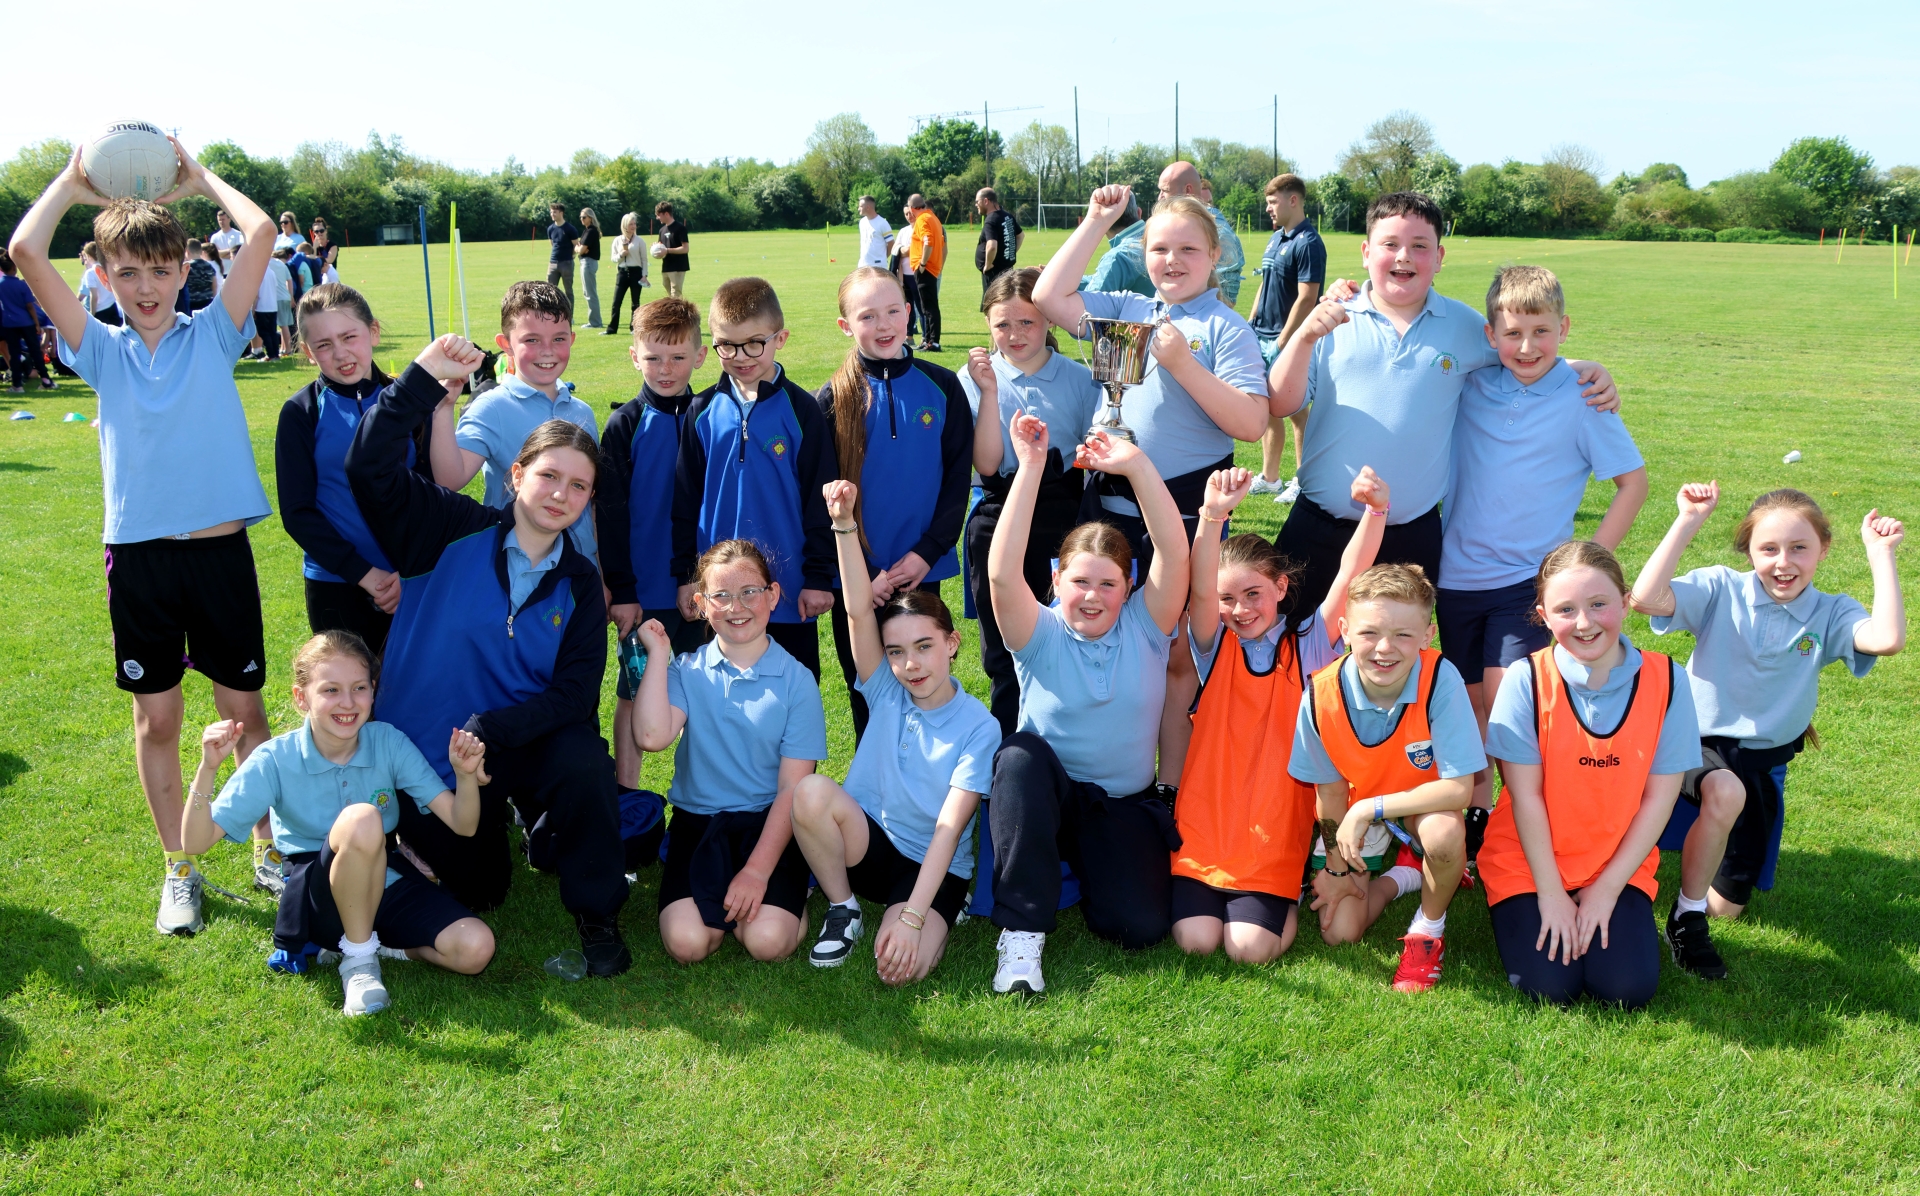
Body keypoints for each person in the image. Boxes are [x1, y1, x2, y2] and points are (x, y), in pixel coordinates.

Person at [9, 140, 280, 928]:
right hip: (139, 561)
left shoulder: (216, 335)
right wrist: (72, 181)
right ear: (102, 276)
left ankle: (269, 848)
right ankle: (180, 865)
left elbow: (258, 233)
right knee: (157, 720)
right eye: (126, 273)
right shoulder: (99, 349)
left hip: (220, 556)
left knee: (248, 713)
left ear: (185, 270)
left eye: (160, 271)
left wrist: (198, 180)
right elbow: (27, 248)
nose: (146, 287)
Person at [346, 334, 636, 976]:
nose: (561, 494)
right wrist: (421, 382)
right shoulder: (447, 530)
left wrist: (489, 731)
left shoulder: (581, 584)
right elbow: (369, 470)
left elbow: (573, 696)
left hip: (508, 740)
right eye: (548, 476)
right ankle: (391, 852)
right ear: (515, 476)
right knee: (481, 893)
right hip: (431, 757)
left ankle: (598, 914)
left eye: (579, 487)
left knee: (584, 756)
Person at [1267, 191, 1620, 615]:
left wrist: (1580, 365)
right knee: (1285, 650)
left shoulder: (1466, 326)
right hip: (1318, 526)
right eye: (1390, 244)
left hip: (1409, 536)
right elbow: (1281, 403)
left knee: (1394, 659)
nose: (1404, 257)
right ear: (1365, 252)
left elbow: (1521, 356)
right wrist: (1305, 336)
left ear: (1439, 257)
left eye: (1420, 246)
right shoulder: (1332, 317)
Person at [1033, 185, 1269, 787]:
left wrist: (1184, 364)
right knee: (1109, 641)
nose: (1172, 261)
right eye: (1159, 248)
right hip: (1107, 509)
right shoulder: (1131, 310)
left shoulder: (1226, 328)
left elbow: (1250, 423)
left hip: (1186, 509)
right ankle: (1105, 769)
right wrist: (1095, 220)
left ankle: (1172, 788)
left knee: (1176, 658)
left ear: (1215, 257)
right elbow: (1047, 295)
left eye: (1189, 249)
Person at [1628, 484, 1906, 978]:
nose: (1784, 562)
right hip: (1693, 744)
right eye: (1768, 549)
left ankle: (1698, 898)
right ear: (1748, 551)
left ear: (1823, 548)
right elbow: (1646, 598)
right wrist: (1688, 520)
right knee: (1721, 792)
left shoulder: (1831, 611)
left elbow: (1886, 639)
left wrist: (1880, 554)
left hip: (1763, 761)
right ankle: (1684, 920)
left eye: (1800, 547)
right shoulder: (1721, 589)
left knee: (1729, 907)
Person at [181, 632, 497, 1016]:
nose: (347, 703)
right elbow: (195, 842)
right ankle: (359, 962)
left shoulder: (388, 742)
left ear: (372, 690)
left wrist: (465, 777)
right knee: (363, 819)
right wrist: (207, 769)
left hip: (383, 880)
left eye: (359, 688)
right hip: (318, 900)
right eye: (331, 690)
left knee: (477, 948)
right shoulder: (274, 760)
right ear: (302, 698)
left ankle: (386, 947)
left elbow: (462, 825)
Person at [983, 413, 1191, 994]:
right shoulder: (1040, 632)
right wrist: (1027, 469)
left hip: (1120, 804)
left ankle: (1080, 873)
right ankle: (1022, 938)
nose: (1093, 596)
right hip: (1046, 796)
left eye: (1108, 584)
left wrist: (1135, 466)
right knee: (1019, 756)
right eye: (1080, 582)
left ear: (1129, 588)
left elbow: (1175, 555)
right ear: (1055, 582)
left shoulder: (1147, 627)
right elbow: (1001, 575)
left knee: (1139, 927)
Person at [1441, 265, 1648, 842]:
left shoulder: (1584, 398)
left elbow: (1634, 483)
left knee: (1511, 703)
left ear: (1565, 328)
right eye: (1512, 333)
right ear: (1490, 336)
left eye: (1542, 331)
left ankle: (1534, 821)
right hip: (1456, 579)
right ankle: (1478, 825)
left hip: (1527, 582)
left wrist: (1579, 569)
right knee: (1470, 709)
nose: (1527, 346)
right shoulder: (1473, 384)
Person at [1171, 465, 1390, 965]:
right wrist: (1211, 516)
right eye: (1229, 598)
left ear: (1281, 588)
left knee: (1248, 950)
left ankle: (1287, 889)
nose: (1240, 609)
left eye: (1253, 595)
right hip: (1207, 823)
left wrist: (1376, 512)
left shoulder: (1309, 644)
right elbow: (1201, 590)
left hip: (1272, 829)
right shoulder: (1213, 642)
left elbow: (1349, 577)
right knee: (1196, 941)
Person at [1478, 543, 1700, 1009]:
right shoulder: (1526, 680)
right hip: (1530, 862)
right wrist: (1552, 895)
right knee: (1549, 986)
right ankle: (1526, 907)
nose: (1584, 623)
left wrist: (1605, 890)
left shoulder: (1668, 680)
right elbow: (1525, 799)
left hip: (1615, 861)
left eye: (1599, 604)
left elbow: (1660, 799)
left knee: (1625, 989)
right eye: (1566, 609)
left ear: (1624, 600)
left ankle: (1616, 915)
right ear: (1543, 614)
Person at [795, 480, 1001, 980]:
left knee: (898, 968)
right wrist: (843, 524)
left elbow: (950, 831)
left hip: (934, 865)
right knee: (810, 794)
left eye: (924, 646)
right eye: (896, 652)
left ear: (952, 644)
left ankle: (918, 911)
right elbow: (856, 610)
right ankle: (843, 906)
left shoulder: (980, 726)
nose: (911, 664)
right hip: (870, 846)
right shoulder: (885, 690)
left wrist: (912, 918)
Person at [1290, 564, 1484, 992]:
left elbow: (1460, 789)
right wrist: (1337, 872)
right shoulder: (1322, 693)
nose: (1384, 648)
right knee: (1339, 932)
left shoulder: (1440, 678)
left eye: (1402, 635)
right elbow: (1329, 793)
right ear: (1343, 629)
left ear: (1427, 635)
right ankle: (1404, 877)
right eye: (1369, 632)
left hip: (1420, 806)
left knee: (1445, 837)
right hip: (1355, 814)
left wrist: (1371, 808)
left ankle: (1427, 932)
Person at [632, 539, 826, 965]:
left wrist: (757, 873)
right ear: (701, 604)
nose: (737, 606)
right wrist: (660, 654)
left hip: (769, 823)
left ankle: (795, 890)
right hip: (697, 824)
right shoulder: (686, 669)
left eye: (750, 592)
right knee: (688, 944)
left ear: (773, 596)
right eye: (721, 595)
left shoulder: (797, 681)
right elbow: (650, 736)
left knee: (767, 943)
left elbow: (792, 789)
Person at [818, 267, 971, 740]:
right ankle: (871, 797)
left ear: (909, 313)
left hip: (922, 570)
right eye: (867, 316)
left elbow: (955, 484)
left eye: (892, 311)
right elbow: (825, 498)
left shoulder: (942, 386)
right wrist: (862, 573)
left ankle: (925, 784)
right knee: (866, 683)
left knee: (921, 679)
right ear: (846, 326)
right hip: (858, 576)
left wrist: (925, 554)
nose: (883, 325)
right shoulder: (831, 398)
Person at [959, 266, 1103, 735]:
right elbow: (985, 463)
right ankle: (1009, 742)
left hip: (1064, 517)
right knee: (1003, 646)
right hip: (1000, 514)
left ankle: (1065, 739)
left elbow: (1093, 453)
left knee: (1065, 632)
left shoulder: (1080, 380)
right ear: (987, 325)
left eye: (1027, 322)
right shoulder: (976, 377)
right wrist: (989, 392)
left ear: (1049, 323)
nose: (1015, 335)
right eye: (1003, 324)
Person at [672, 277, 837, 678]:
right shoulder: (701, 410)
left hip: (788, 591)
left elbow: (821, 503)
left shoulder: (803, 411)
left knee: (792, 698)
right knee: (719, 701)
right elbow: (685, 500)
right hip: (719, 591)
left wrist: (817, 578)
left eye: (754, 343)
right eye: (726, 345)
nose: (740, 356)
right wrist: (684, 577)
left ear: (780, 338)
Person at [599, 296, 711, 843]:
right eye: (653, 359)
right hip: (644, 594)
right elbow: (611, 516)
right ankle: (627, 800)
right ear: (634, 357)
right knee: (632, 693)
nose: (665, 370)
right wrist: (621, 589)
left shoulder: (712, 413)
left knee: (702, 693)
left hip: (704, 594)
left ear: (700, 356)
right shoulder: (623, 425)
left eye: (677, 358)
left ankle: (704, 801)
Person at [276, 283, 436, 653]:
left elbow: (429, 491)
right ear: (307, 352)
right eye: (324, 345)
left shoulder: (404, 401)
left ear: (373, 332)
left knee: (413, 696)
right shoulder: (301, 412)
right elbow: (298, 513)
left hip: (410, 579)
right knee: (350, 697)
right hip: (336, 583)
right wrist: (365, 575)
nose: (341, 353)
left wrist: (409, 569)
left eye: (350, 336)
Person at [434, 282, 597, 558]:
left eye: (558, 339)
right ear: (505, 344)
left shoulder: (582, 412)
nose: (547, 350)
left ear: (571, 338)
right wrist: (443, 408)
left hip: (583, 570)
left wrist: (601, 574)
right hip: (519, 567)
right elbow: (449, 479)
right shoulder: (491, 407)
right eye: (531, 340)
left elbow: (590, 503)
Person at [1246, 174, 1325, 502]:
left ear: (1294, 200)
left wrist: (1284, 339)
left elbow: (1308, 297)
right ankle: (1271, 477)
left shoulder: (1308, 242)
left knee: (1295, 411)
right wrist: (1250, 322)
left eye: (1273, 201)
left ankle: (1302, 479)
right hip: (1261, 334)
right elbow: (1265, 284)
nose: (1268, 208)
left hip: (1285, 340)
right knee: (1267, 409)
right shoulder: (1276, 238)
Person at [1157, 161, 1244, 306]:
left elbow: (1228, 286)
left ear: (1188, 190)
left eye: (1165, 190)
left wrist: (1208, 315)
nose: (1160, 197)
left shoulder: (1213, 226)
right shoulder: (1185, 222)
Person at [1077, 191, 1152, 298]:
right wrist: (1061, 277)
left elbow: (1089, 302)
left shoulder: (1119, 256)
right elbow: (1105, 277)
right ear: (1139, 212)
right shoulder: (1158, 239)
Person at [0, 252, 55, 393]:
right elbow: (30, 306)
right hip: (26, 322)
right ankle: (46, 380)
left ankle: (17, 385)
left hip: (9, 323)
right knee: (36, 351)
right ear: (14, 267)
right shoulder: (21, 284)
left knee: (14, 354)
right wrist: (36, 323)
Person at [905, 193, 945, 351]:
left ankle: (933, 342)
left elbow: (928, 241)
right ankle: (927, 340)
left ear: (912, 208)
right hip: (931, 268)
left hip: (925, 269)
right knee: (927, 306)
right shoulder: (932, 217)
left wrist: (922, 263)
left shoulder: (922, 219)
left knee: (929, 308)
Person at [605, 212, 651, 335]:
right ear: (624, 225)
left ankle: (634, 328)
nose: (633, 226)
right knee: (616, 302)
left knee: (635, 302)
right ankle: (612, 328)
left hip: (636, 272)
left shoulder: (640, 241)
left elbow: (644, 260)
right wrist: (621, 254)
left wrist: (644, 275)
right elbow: (613, 258)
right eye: (630, 224)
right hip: (622, 272)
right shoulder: (617, 240)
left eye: (634, 223)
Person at [975, 187, 1023, 303]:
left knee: (992, 305)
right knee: (1005, 301)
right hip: (1007, 268)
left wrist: (988, 264)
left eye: (977, 201)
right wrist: (1010, 251)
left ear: (986, 201)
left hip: (994, 272)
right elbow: (1020, 235)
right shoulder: (1007, 216)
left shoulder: (991, 220)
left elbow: (991, 245)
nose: (976, 204)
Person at [891, 202, 921, 340]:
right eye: (906, 214)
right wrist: (904, 250)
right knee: (907, 307)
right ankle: (909, 336)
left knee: (922, 309)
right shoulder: (903, 231)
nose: (909, 216)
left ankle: (926, 337)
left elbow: (913, 250)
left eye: (910, 212)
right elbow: (896, 251)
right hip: (904, 275)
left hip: (918, 274)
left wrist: (905, 250)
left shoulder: (921, 228)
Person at [247, 244, 281, 361]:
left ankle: (271, 355)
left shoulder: (258, 273)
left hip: (262, 307)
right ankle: (275, 354)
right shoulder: (271, 272)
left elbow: (256, 294)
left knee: (264, 333)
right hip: (272, 306)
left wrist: (253, 308)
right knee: (272, 332)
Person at [76, 242, 121, 326]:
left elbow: (94, 296)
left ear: (89, 256)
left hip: (100, 311)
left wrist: (92, 315)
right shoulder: (109, 268)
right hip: (113, 307)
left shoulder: (90, 273)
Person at [655, 201, 690, 299]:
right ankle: (675, 312)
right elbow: (661, 247)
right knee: (670, 295)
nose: (657, 218)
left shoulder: (680, 228)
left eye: (659, 215)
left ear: (666, 214)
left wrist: (667, 250)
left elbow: (685, 248)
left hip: (678, 266)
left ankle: (678, 314)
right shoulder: (661, 230)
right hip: (666, 266)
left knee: (676, 294)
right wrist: (655, 249)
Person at [576, 207, 604, 330]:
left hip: (588, 262)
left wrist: (579, 249)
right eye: (580, 217)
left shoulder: (591, 231)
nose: (581, 219)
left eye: (584, 217)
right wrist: (580, 248)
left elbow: (581, 249)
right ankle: (594, 321)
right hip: (586, 262)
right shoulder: (587, 230)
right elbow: (581, 248)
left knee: (590, 293)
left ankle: (595, 322)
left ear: (590, 218)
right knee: (588, 292)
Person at [270, 247, 297, 357]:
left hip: (277, 297)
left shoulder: (267, 265)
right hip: (286, 296)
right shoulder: (281, 264)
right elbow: (289, 280)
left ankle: (288, 350)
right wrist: (291, 296)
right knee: (283, 324)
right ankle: (284, 348)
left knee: (283, 325)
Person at [856, 195, 893, 270]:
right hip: (863, 264)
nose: (858, 209)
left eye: (860, 206)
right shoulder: (862, 222)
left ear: (868, 207)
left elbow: (891, 243)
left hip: (878, 265)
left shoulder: (882, 223)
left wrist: (882, 257)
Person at [184, 239, 221, 312]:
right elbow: (214, 285)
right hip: (208, 301)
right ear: (201, 251)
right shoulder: (209, 266)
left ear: (187, 252)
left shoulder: (186, 267)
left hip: (192, 302)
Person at [208, 208, 244, 273]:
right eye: (219, 220)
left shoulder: (238, 234)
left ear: (229, 219)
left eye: (223, 219)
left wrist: (220, 254)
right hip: (221, 272)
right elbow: (213, 255)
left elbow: (239, 253)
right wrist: (230, 251)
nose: (221, 222)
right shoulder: (215, 237)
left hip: (235, 271)